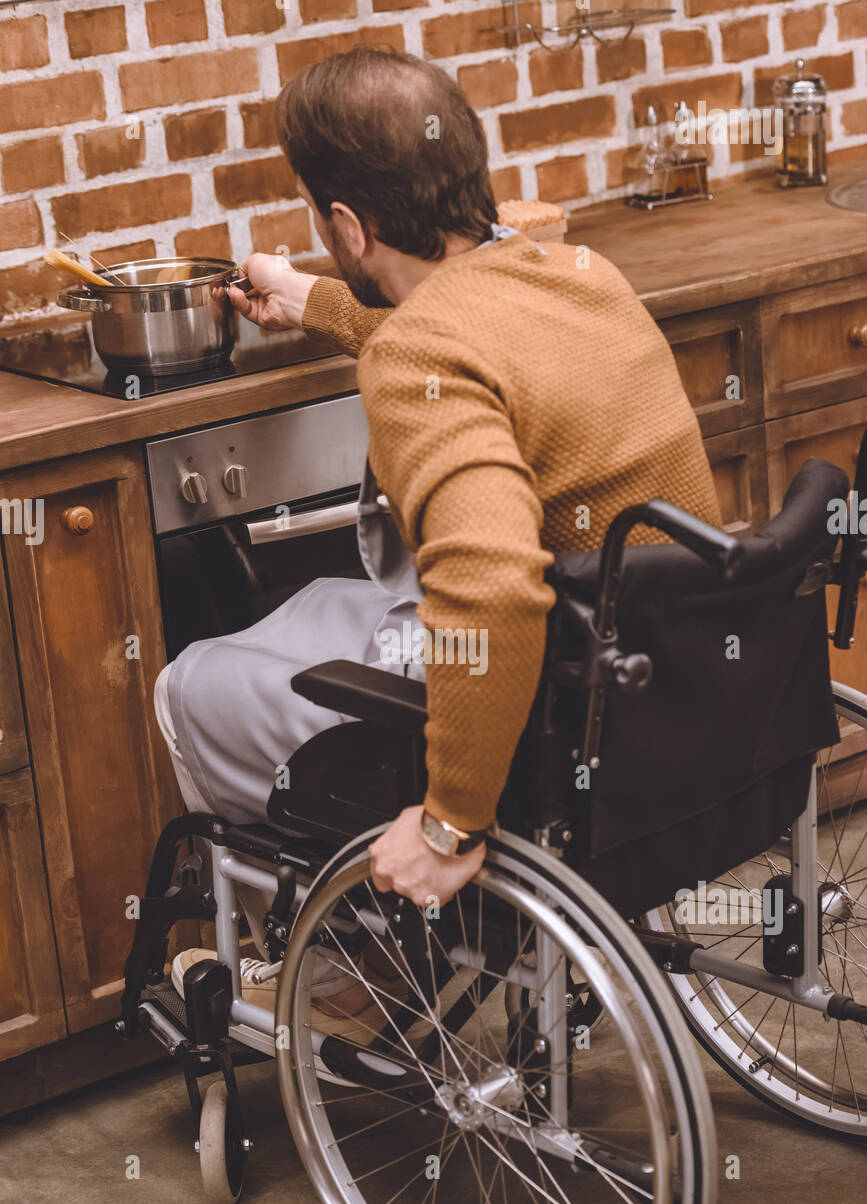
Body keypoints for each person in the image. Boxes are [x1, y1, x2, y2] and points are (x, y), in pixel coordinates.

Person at [159, 46, 722, 1010]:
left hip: (552, 701)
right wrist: (316, 300)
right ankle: (364, 951)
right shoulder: (578, 272)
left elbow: (494, 588)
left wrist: (451, 822)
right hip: (669, 675)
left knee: (193, 680)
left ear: (345, 223)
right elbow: (484, 337)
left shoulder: (420, 347)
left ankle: (340, 966)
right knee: (339, 599)